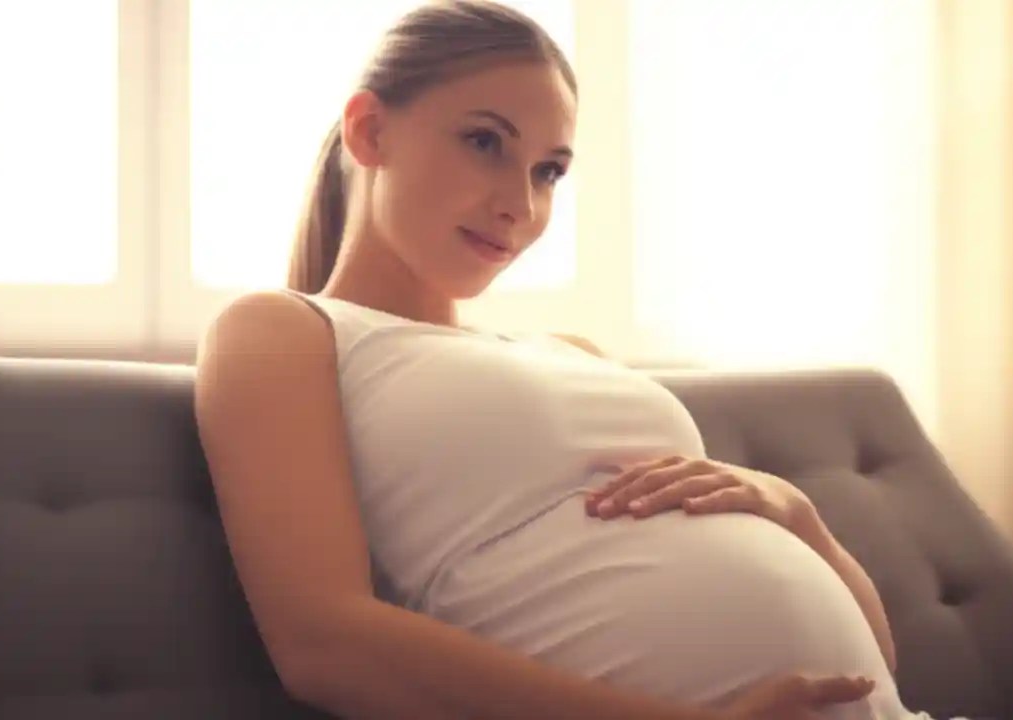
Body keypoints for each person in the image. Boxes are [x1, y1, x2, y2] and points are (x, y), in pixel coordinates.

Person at [194, 2, 958, 718]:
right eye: (485, 142)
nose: (520, 206)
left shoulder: (572, 354)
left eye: (548, 171)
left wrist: (796, 515)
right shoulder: (285, 332)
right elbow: (325, 645)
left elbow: (877, 663)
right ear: (370, 132)